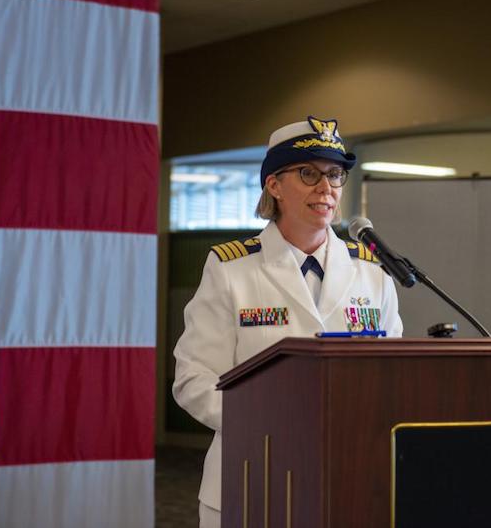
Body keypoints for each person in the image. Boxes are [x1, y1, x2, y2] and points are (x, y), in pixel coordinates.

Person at [172, 116, 404, 527]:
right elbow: (193, 377)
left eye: (335, 174)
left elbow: (394, 374)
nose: (326, 187)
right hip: (253, 475)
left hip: (351, 479)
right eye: (308, 173)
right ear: (273, 185)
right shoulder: (231, 268)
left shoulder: (373, 271)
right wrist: (269, 423)